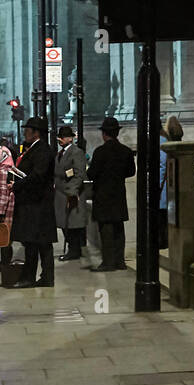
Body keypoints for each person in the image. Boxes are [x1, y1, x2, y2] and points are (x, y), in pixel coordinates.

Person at [11, 116, 57, 288]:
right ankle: (44, 277)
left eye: (27, 130)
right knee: (38, 242)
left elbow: (37, 175)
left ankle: (31, 277)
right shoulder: (35, 149)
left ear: (36, 133)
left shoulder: (42, 151)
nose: (25, 133)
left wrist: (17, 184)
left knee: (35, 242)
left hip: (37, 204)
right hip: (34, 203)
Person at [86, 116, 135, 272]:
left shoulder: (100, 152)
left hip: (103, 195)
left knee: (106, 229)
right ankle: (120, 261)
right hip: (118, 194)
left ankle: (108, 261)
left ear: (104, 134)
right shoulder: (126, 151)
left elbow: (92, 174)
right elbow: (131, 172)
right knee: (119, 229)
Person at [54, 126, 88, 261]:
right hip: (60, 192)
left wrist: (72, 191)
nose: (59, 139)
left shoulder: (76, 152)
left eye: (62, 137)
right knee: (65, 223)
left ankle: (74, 250)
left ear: (69, 138)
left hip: (71, 193)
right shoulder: (60, 153)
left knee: (72, 224)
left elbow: (79, 174)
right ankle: (73, 248)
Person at [159, 115, 184, 250]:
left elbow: (163, 166)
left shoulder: (165, 143)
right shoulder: (178, 145)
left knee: (163, 218)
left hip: (165, 188)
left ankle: (164, 241)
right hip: (174, 186)